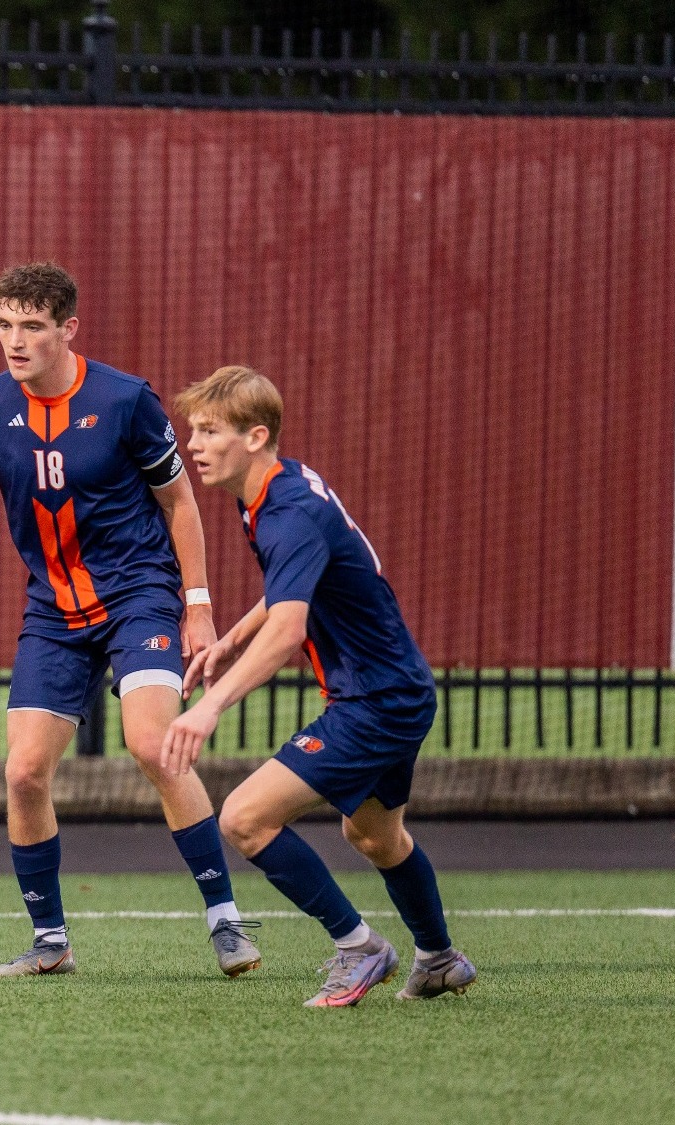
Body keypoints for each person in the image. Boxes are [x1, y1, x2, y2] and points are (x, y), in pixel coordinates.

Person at [0, 262, 259, 978]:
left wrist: (198, 606)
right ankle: (50, 942)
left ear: (68, 328)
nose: (15, 338)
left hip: (139, 596)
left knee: (154, 746)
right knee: (25, 772)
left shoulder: (125, 399)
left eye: (32, 325)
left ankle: (226, 919)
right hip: (53, 609)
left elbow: (180, 503)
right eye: (4, 323)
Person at [163, 364, 477, 1007]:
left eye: (209, 430)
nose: (193, 444)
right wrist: (229, 641)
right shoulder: (277, 488)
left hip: (375, 701)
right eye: (191, 430)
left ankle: (358, 948)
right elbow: (292, 588)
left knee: (246, 818)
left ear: (254, 436)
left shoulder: (286, 510)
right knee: (373, 836)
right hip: (397, 690)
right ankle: (440, 959)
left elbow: (288, 630)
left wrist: (210, 708)